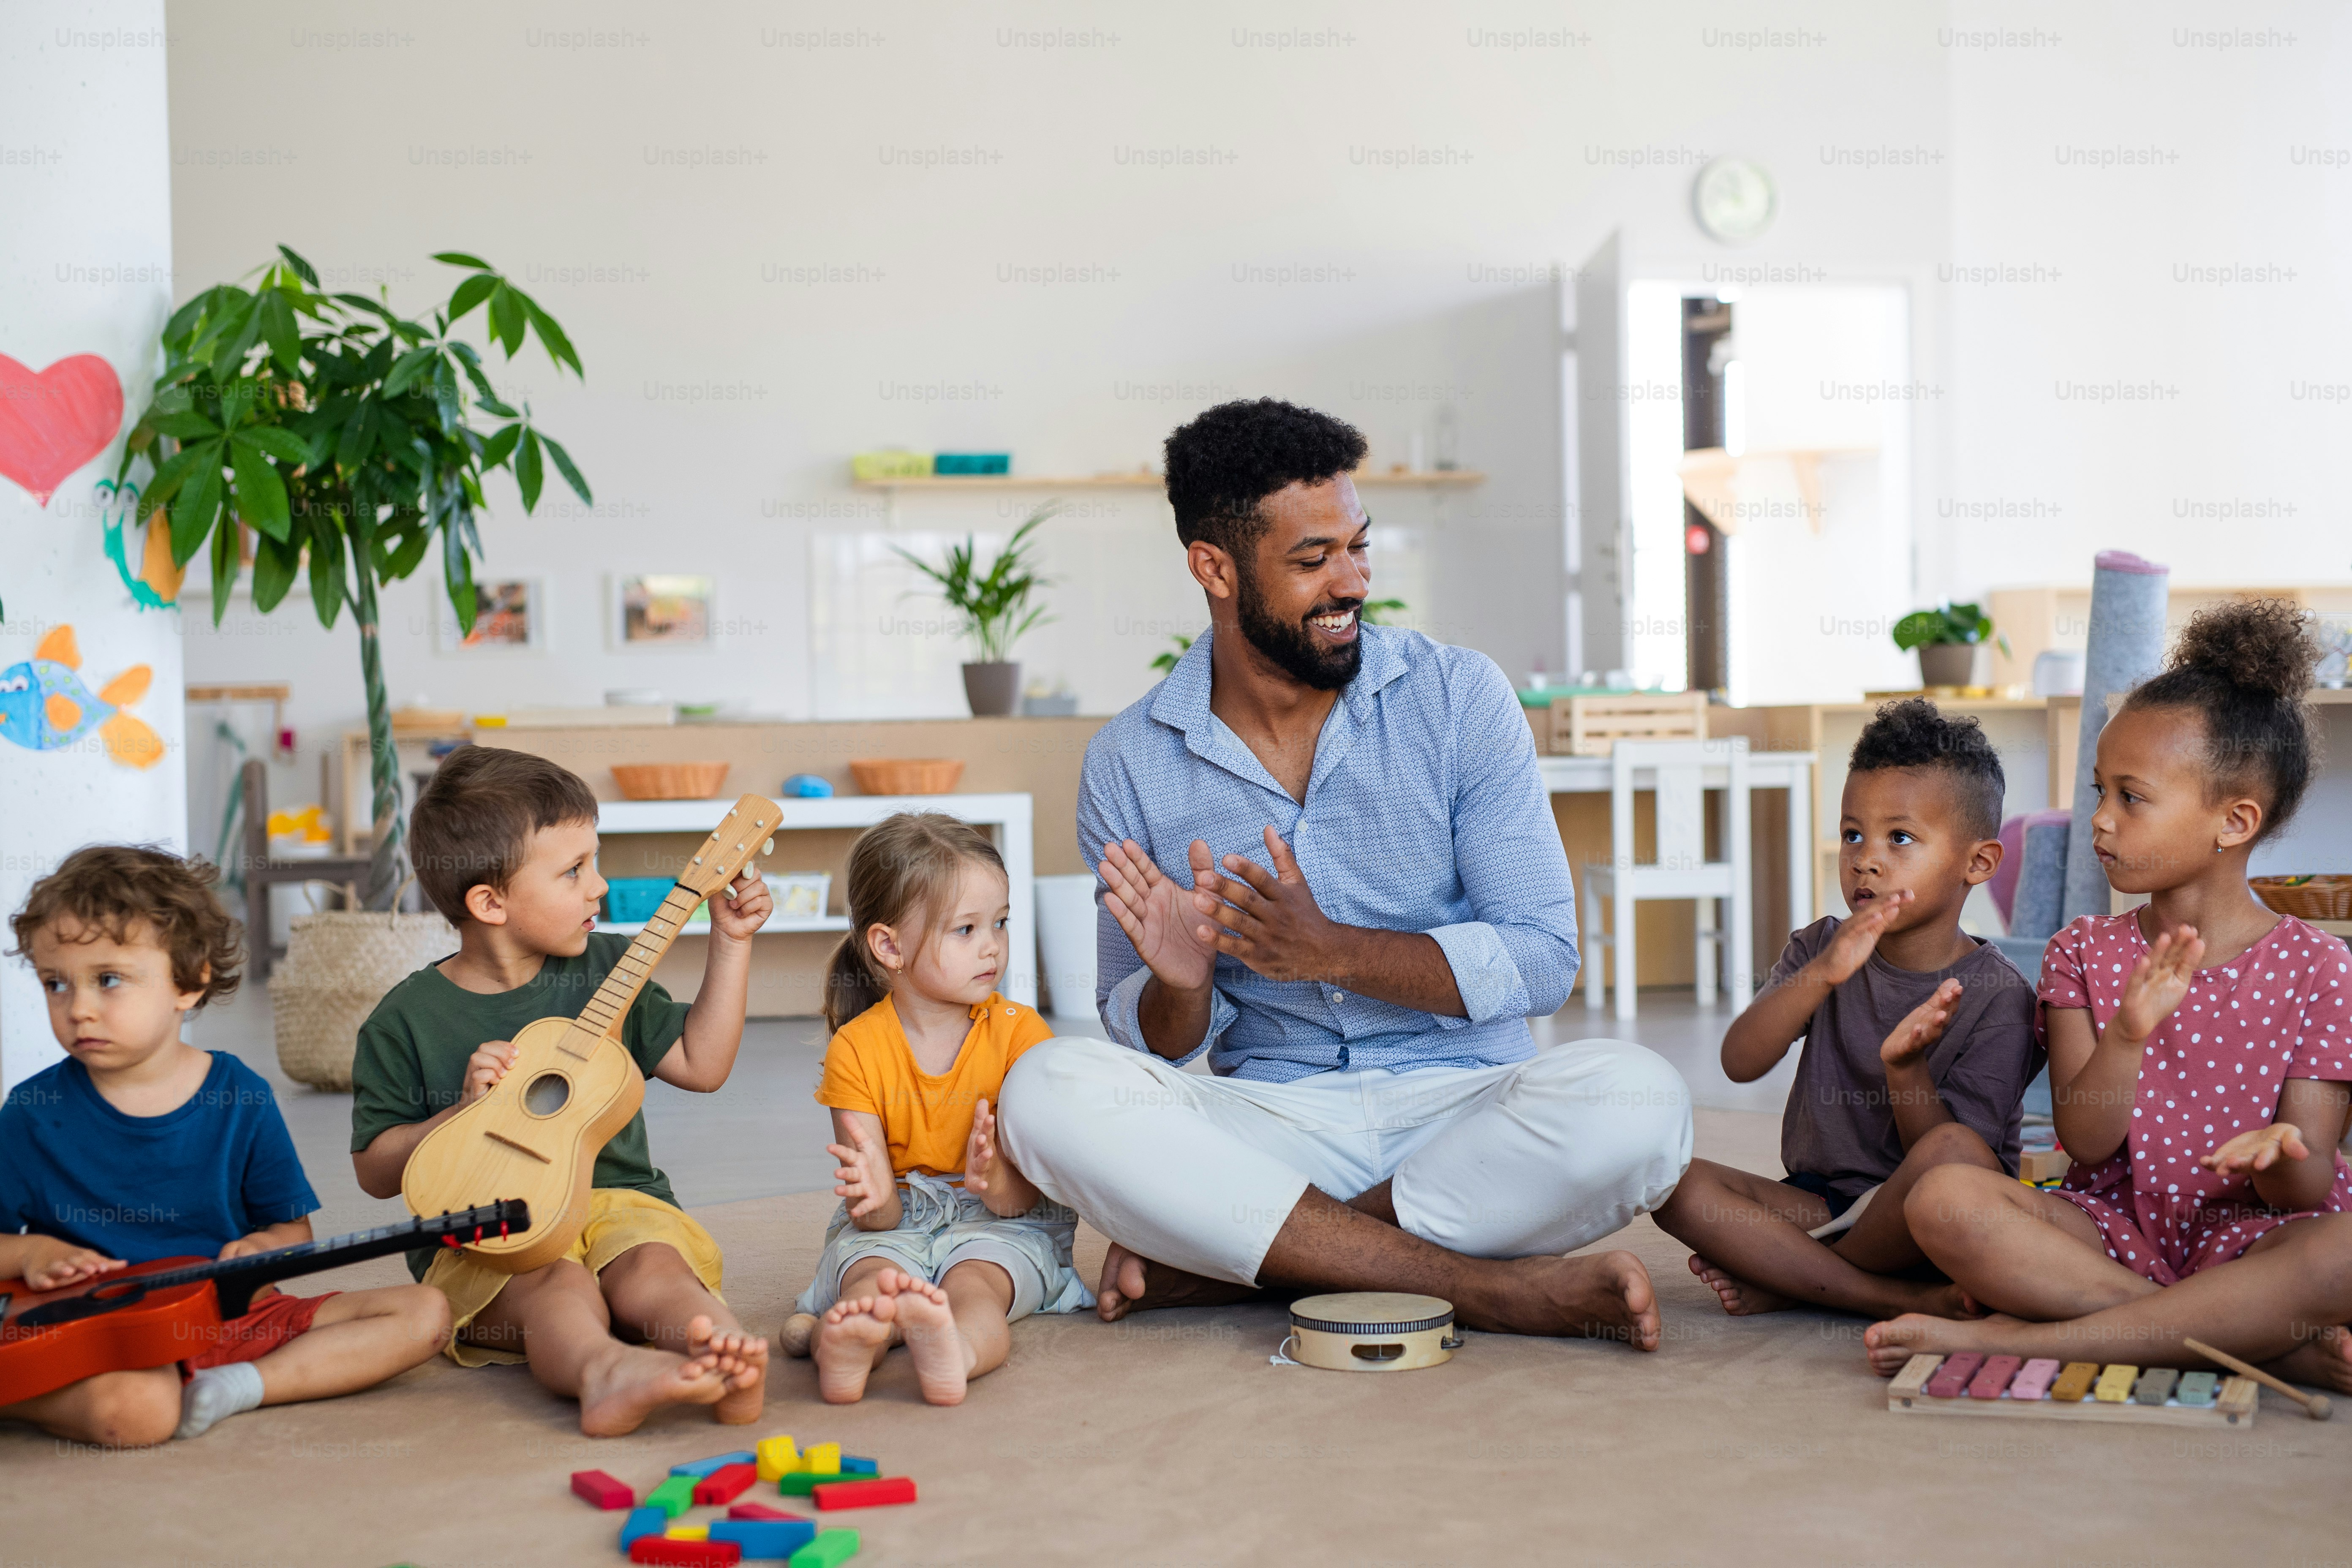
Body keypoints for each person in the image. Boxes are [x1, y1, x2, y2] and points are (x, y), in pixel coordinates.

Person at [997, 397, 1692, 1347]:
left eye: (1360, 547)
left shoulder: (1459, 697)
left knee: (1640, 1099)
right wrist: (1181, 989)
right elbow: (1149, 1046)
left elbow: (1542, 959)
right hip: (1273, 1117)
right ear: (1215, 567)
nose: (1353, 581)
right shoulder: (1130, 760)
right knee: (1045, 1089)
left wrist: (1331, 951)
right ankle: (1490, 1289)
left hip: (1462, 1106)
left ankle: (1272, 1255)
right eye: (1314, 558)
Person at [1862, 599, 2352, 1394]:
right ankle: (2250, 1341)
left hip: (2260, 1237)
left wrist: (2283, 1157)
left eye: (2132, 797)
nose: (2099, 821)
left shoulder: (2321, 967)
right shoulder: (2084, 950)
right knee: (1945, 1199)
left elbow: (2306, 1185)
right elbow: (2087, 1144)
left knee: (2343, 1252)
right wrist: (2127, 1033)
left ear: (2234, 821)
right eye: (2100, 791)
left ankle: (2030, 1339)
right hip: (2109, 1233)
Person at [349, 747, 773, 1436]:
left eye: (595, 862)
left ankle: (716, 1346)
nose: (599, 887)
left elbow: (703, 1064)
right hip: (488, 1231)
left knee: (650, 1267)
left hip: (621, 1202)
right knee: (559, 1288)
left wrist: (731, 942)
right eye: (574, 871)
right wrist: (461, 1113)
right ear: (490, 902)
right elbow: (374, 1172)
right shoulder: (404, 1020)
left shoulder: (613, 968)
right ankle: (602, 1370)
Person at [0, 846, 448, 1447]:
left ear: (190, 981)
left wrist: (261, 1249)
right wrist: (33, 1256)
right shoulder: (33, 1113)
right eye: (56, 984)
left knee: (425, 1314)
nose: (78, 1008)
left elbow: (293, 1234)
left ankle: (241, 1386)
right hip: (101, 1337)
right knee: (141, 1412)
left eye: (108, 980)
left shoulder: (239, 1095)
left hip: (232, 1319)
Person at [1652, 700, 2041, 1318]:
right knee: (1668, 1180)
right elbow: (1740, 1062)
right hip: (1823, 1205)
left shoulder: (2002, 997)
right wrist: (1822, 974)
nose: (1866, 858)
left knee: (1951, 1159)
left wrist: (1906, 1069)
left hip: (1929, 1219)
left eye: (1901, 837)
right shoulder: (1821, 947)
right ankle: (1875, 1294)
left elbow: (1959, 1165)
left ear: (1978, 863)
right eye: (1852, 833)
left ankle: (1795, 1273)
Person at [780, 814, 1091, 1405]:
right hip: (901, 1221)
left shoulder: (1022, 1034)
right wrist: (872, 1201)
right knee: (872, 1281)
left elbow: (1025, 1198)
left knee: (975, 1288)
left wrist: (997, 1179)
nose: (992, 946)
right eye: (966, 929)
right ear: (890, 946)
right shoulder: (856, 1049)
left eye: (999, 923)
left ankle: (957, 1350)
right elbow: (880, 1218)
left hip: (1003, 1222)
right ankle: (850, 1344)